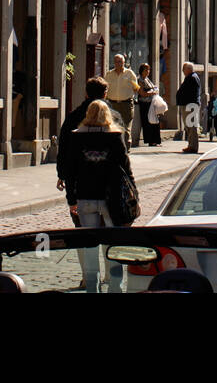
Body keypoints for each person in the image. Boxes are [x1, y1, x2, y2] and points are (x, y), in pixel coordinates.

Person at [60, 100, 135, 292]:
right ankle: (116, 287)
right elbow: (126, 168)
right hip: (112, 198)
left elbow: (70, 172)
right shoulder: (115, 136)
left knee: (90, 245)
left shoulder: (76, 138)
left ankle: (93, 287)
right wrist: (133, 192)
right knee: (113, 244)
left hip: (85, 196)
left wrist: (71, 199)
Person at [104, 54, 140, 149]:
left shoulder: (130, 74)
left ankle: (126, 147)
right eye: (116, 61)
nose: (118, 63)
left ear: (124, 62)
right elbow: (105, 88)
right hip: (112, 103)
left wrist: (134, 90)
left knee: (126, 126)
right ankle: (115, 147)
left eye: (120, 61)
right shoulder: (109, 75)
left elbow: (136, 88)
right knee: (113, 126)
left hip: (126, 104)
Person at [175, 62, 202, 153]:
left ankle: (193, 146)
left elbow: (188, 92)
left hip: (190, 105)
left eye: (184, 69)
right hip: (189, 104)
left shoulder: (192, 78)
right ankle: (191, 145)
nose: (183, 71)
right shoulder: (192, 77)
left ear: (188, 69)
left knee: (191, 126)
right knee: (190, 126)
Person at [135, 62, 163, 147]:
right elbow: (142, 93)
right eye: (146, 69)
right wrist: (152, 93)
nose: (148, 71)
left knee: (155, 122)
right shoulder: (140, 80)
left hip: (151, 104)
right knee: (148, 123)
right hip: (145, 104)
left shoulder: (147, 79)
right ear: (141, 71)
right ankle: (151, 141)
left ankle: (156, 140)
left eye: (149, 69)